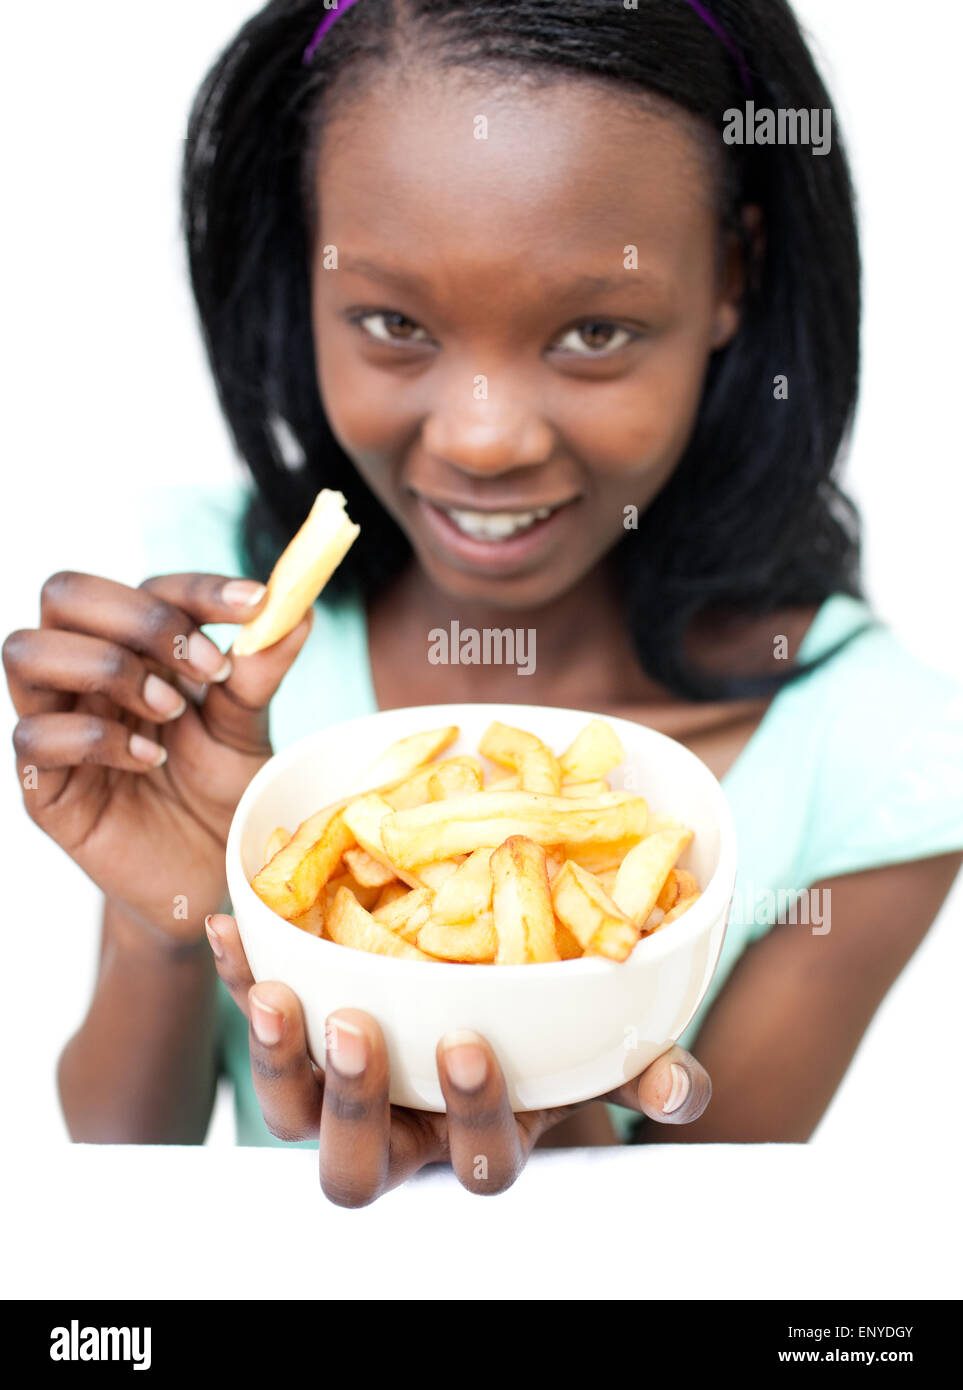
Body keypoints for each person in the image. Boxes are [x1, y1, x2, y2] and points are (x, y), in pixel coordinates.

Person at [6, 0, 962, 1206]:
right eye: (395, 323)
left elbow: (709, 1263)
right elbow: (115, 1166)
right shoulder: (214, 650)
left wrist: (546, 1138)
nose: (483, 437)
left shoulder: (879, 763)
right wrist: (169, 915)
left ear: (733, 278)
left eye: (594, 329)